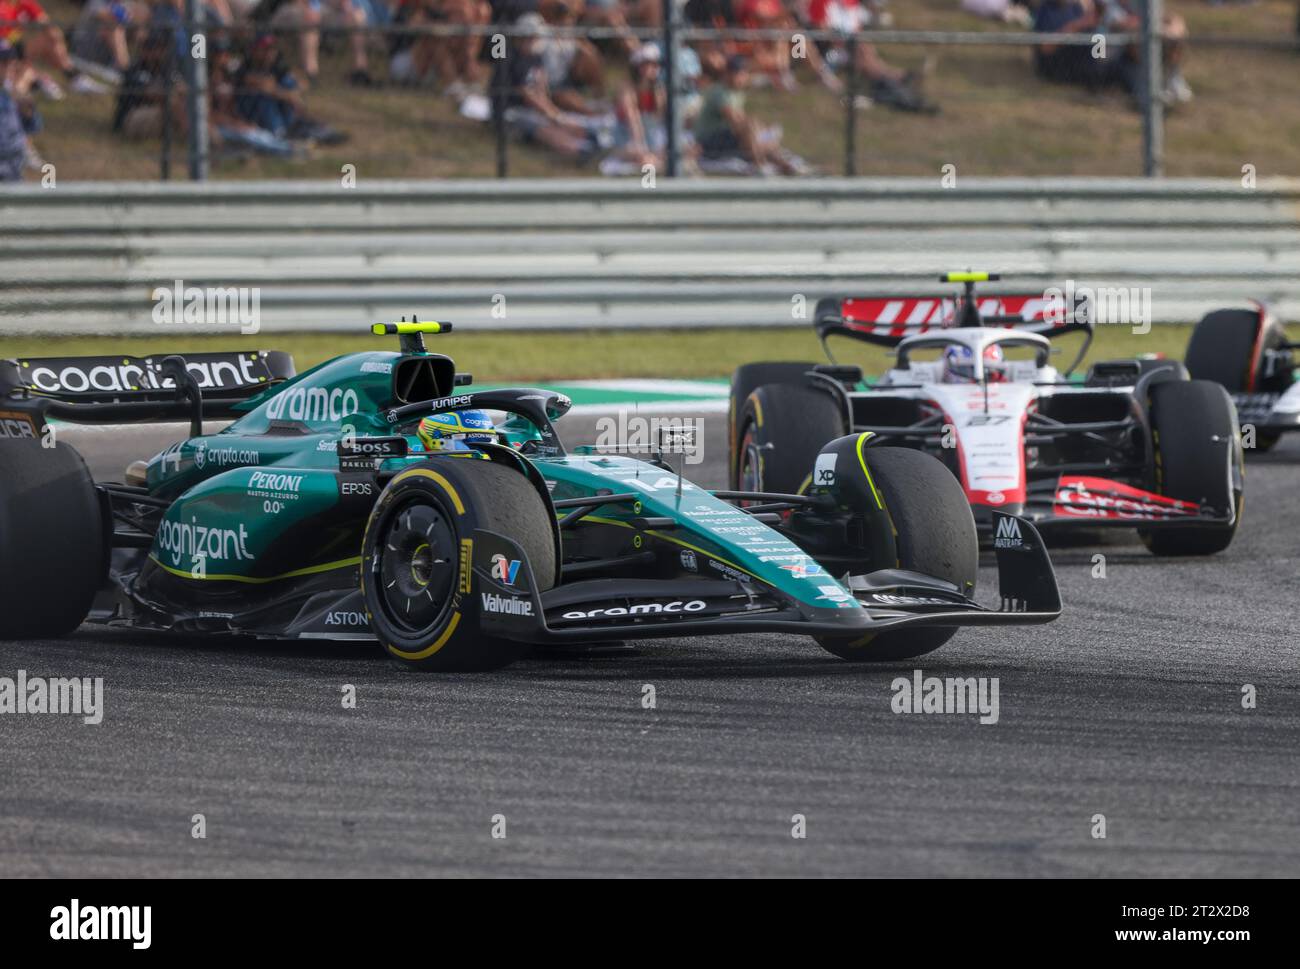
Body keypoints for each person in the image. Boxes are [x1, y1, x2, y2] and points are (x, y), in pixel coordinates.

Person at [692, 54, 806, 174]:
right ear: (728, 74)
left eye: (744, 73)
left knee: (759, 132)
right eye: (739, 74)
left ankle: (783, 165)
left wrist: (760, 129)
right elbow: (735, 120)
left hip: (727, 137)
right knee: (751, 130)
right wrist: (755, 129)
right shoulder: (719, 92)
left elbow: (742, 120)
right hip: (708, 140)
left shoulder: (736, 93)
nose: (743, 78)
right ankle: (760, 165)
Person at [0, 0, 111, 95]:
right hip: (5, 48)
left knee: (52, 38)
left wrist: (55, 35)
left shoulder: (25, 3)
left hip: (16, 47)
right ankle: (72, 77)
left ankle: (73, 77)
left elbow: (46, 23)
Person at [0, 37, 41, 180]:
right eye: (4, 63)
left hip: (13, 169)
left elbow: (33, 127)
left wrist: (28, 112)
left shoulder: (15, 93)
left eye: (12, 62)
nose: (10, 68)